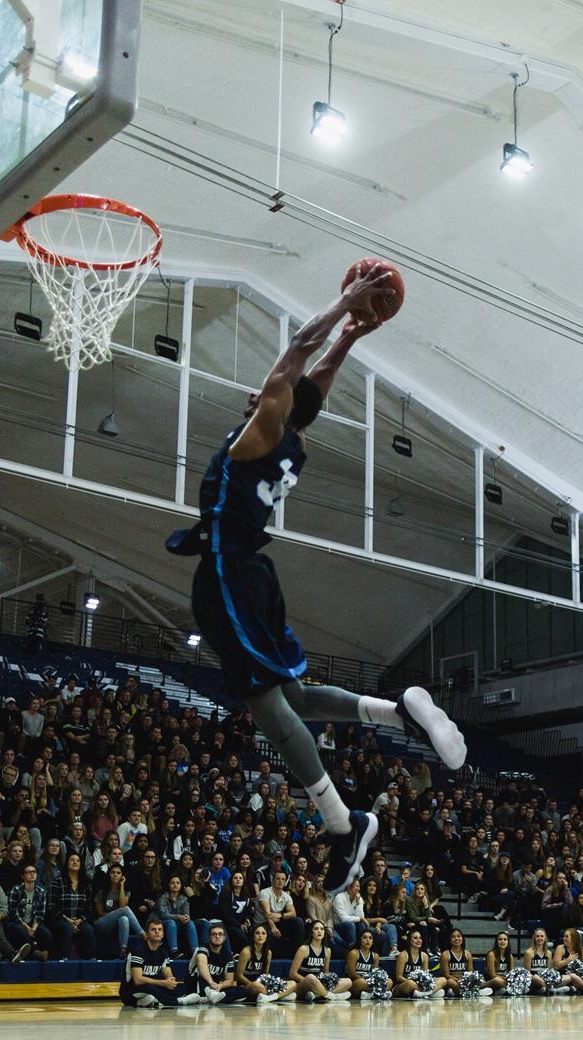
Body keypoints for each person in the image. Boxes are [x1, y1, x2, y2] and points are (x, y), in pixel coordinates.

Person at [162, 269, 467, 902]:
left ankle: (340, 820)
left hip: (228, 571)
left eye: (270, 389)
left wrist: (343, 308)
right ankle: (396, 711)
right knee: (293, 698)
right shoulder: (294, 435)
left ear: (273, 400)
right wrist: (352, 336)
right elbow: (315, 382)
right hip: (253, 573)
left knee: (267, 708)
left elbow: (299, 353)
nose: (262, 389)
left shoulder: (264, 428)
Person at [119, 919, 188, 1009]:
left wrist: (171, 983)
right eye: (153, 929)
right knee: (150, 987)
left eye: (160, 929)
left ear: (163, 934)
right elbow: (138, 980)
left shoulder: (163, 952)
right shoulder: (138, 950)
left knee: (182, 987)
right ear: (147, 934)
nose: (157, 932)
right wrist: (163, 983)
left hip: (154, 987)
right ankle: (178, 1001)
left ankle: (147, 1001)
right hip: (132, 990)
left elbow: (169, 976)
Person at [226, 922, 295, 1006]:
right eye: (257, 933)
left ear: (267, 937)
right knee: (257, 986)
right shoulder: (246, 952)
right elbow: (239, 976)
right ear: (253, 936)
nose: (260, 936)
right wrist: (252, 985)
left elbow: (265, 974)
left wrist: (267, 985)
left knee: (293, 983)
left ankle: (271, 997)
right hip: (247, 986)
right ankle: (281, 995)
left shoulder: (268, 953)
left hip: (261, 985)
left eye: (263, 933)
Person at [290, 919, 353, 1003]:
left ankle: (317, 995)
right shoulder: (304, 949)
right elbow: (292, 974)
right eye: (316, 929)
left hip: (318, 984)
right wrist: (311, 982)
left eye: (322, 929)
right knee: (311, 977)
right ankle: (330, 996)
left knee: (348, 981)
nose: (319, 931)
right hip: (303, 985)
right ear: (311, 932)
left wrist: (320, 984)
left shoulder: (327, 950)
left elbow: (325, 973)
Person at [440, 927, 490, 997]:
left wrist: (466, 981)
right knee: (450, 982)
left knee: (479, 979)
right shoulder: (445, 954)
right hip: (452, 981)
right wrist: (459, 980)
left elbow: (470, 972)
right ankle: (475, 992)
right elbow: (446, 975)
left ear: (462, 938)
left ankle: (459, 992)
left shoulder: (467, 953)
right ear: (449, 940)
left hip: (464, 981)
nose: (456, 939)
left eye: (458, 936)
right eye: (453, 937)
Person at [392, 927, 440, 999]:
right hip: (403, 985)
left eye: (420, 938)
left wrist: (424, 983)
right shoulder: (403, 955)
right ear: (409, 940)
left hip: (418, 985)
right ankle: (429, 992)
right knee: (410, 984)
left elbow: (426, 975)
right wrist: (414, 983)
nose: (418, 940)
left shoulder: (424, 956)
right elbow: (399, 977)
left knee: (443, 980)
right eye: (415, 938)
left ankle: (423, 993)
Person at [347, 926, 392, 1001]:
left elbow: (375, 973)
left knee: (389, 981)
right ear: (360, 940)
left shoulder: (375, 956)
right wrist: (368, 981)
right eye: (365, 938)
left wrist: (375, 981)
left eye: (370, 938)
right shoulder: (354, 953)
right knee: (362, 982)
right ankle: (377, 994)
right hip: (356, 982)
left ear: (373, 941)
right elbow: (352, 974)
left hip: (369, 982)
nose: (368, 940)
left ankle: (369, 995)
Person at [486, 929, 528, 997]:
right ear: (496, 942)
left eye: (505, 939)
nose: (502, 941)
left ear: (508, 942)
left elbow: (511, 973)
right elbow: (492, 975)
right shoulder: (491, 954)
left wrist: (510, 979)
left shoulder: (510, 956)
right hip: (492, 980)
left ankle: (501, 991)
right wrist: (506, 979)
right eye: (500, 939)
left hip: (504, 981)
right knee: (497, 980)